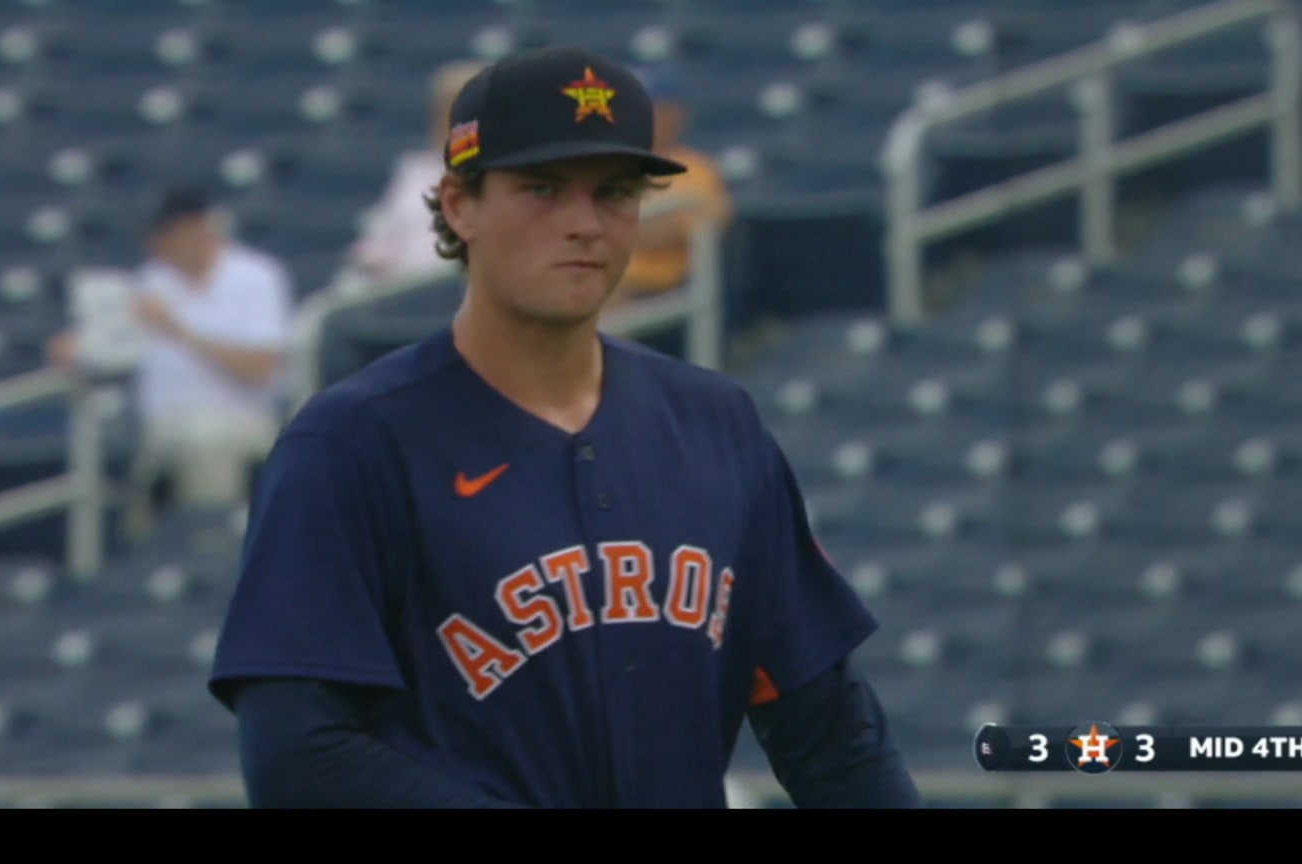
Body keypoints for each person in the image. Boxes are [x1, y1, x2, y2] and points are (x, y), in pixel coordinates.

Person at [209, 46, 921, 809]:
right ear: (459, 205)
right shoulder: (353, 443)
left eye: (614, 192)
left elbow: (832, 735)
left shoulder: (718, 423)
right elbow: (298, 758)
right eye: (542, 189)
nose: (584, 224)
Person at [50, 188, 294, 514]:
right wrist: (79, 349)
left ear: (197, 227)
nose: (156, 245)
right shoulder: (152, 280)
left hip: (239, 420)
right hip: (158, 427)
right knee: (115, 452)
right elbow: (117, 348)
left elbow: (261, 369)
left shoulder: (255, 276)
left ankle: (208, 544)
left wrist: (178, 330)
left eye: (166, 233)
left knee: (204, 442)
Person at [338, 59, 489, 290]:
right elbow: (373, 256)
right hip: (407, 304)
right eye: (446, 110)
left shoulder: (513, 176)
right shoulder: (413, 173)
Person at [604, 61, 733, 311]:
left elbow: (706, 221)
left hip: (656, 292)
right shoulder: (602, 165)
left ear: (675, 114)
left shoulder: (694, 168)